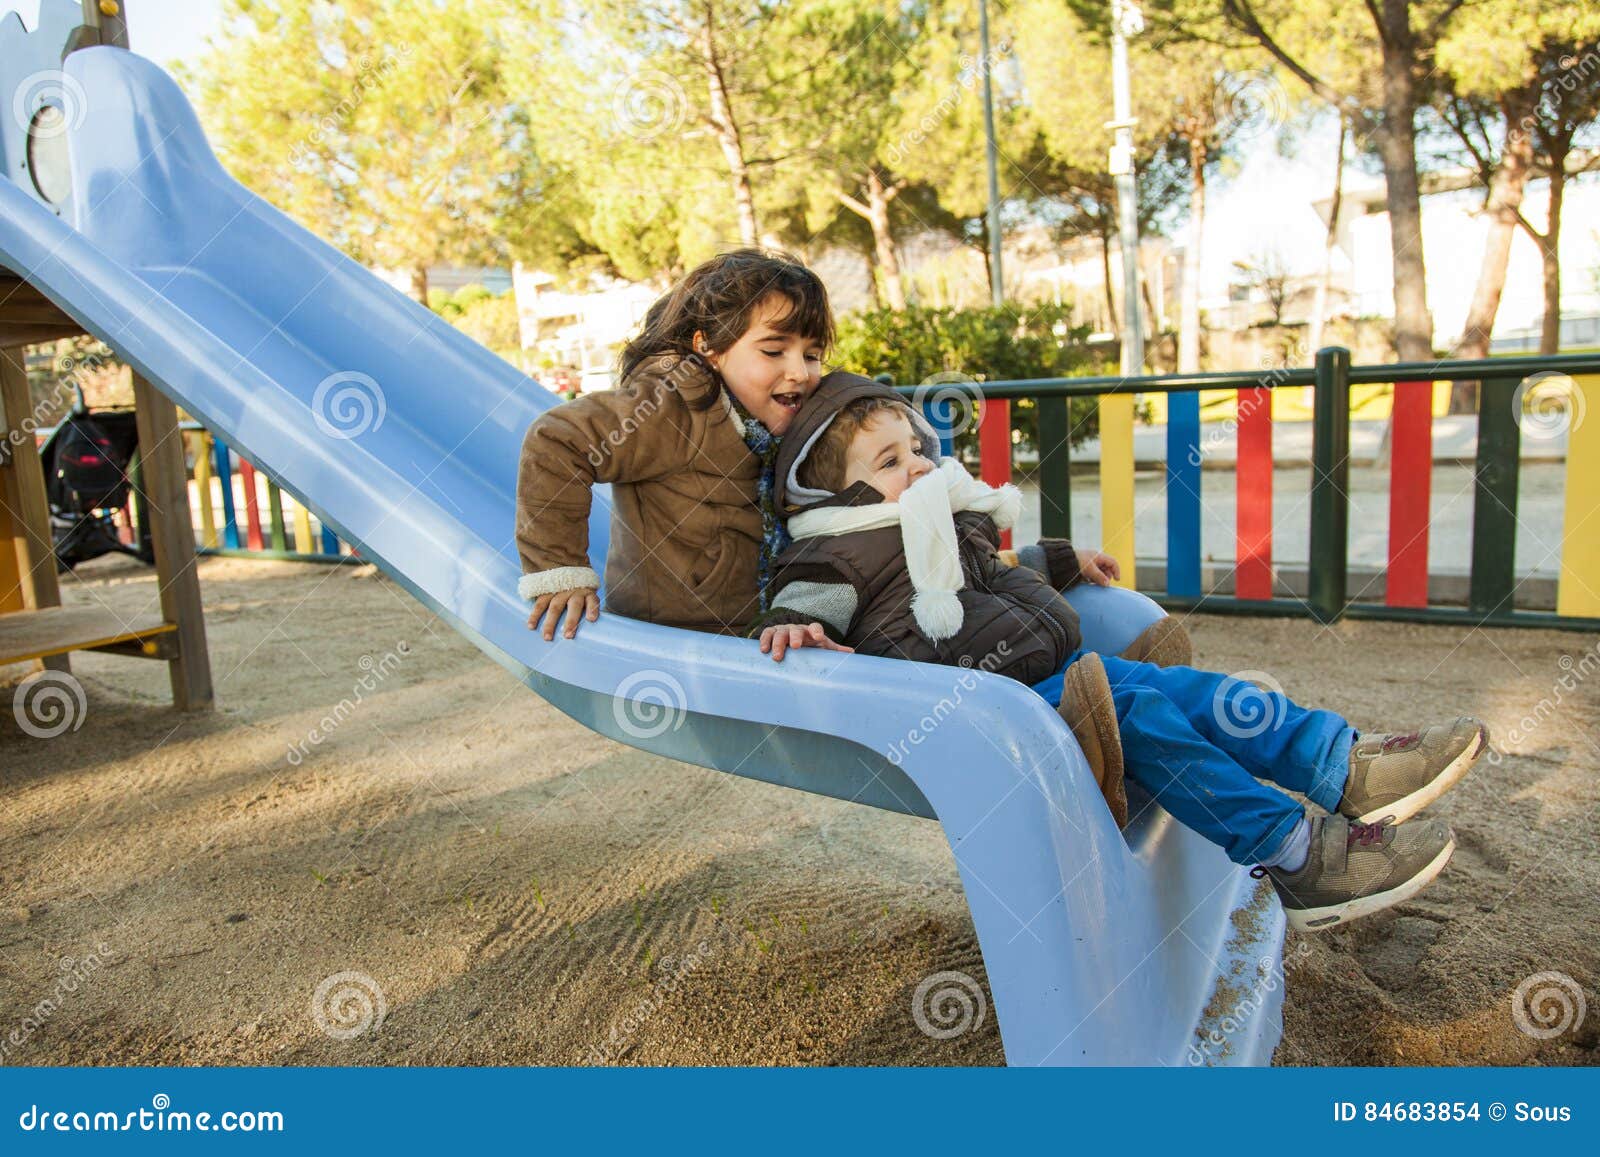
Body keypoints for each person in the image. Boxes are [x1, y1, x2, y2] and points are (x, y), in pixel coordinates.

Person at [748, 373, 1489, 931]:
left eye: (917, 448)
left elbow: (994, 577)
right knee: (1141, 707)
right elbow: (800, 613)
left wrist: (1062, 558)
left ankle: (1343, 763)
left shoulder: (942, 521)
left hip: (1055, 678)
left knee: (1192, 692)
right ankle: (1298, 854)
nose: (916, 466)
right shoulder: (834, 556)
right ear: (830, 499)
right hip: (990, 723)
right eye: (887, 460)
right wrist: (795, 629)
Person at [515, 247, 852, 644]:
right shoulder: (672, 405)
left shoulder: (785, 426)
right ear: (708, 348)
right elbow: (557, 440)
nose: (799, 371)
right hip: (667, 642)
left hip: (752, 638)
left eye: (812, 355)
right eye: (773, 351)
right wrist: (559, 572)